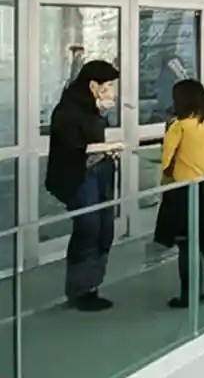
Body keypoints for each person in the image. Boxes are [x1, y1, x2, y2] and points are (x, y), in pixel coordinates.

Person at [45, 60, 122, 312]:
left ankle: (93, 285)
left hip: (100, 173)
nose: (112, 92)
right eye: (108, 85)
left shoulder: (92, 111)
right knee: (88, 229)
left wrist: (106, 154)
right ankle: (80, 291)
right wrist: (103, 149)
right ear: (92, 85)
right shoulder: (67, 111)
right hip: (81, 177)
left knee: (104, 230)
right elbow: (71, 148)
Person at [153, 80, 204, 308]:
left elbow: (166, 160)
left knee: (186, 243)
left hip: (184, 189)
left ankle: (188, 295)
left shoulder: (179, 126)